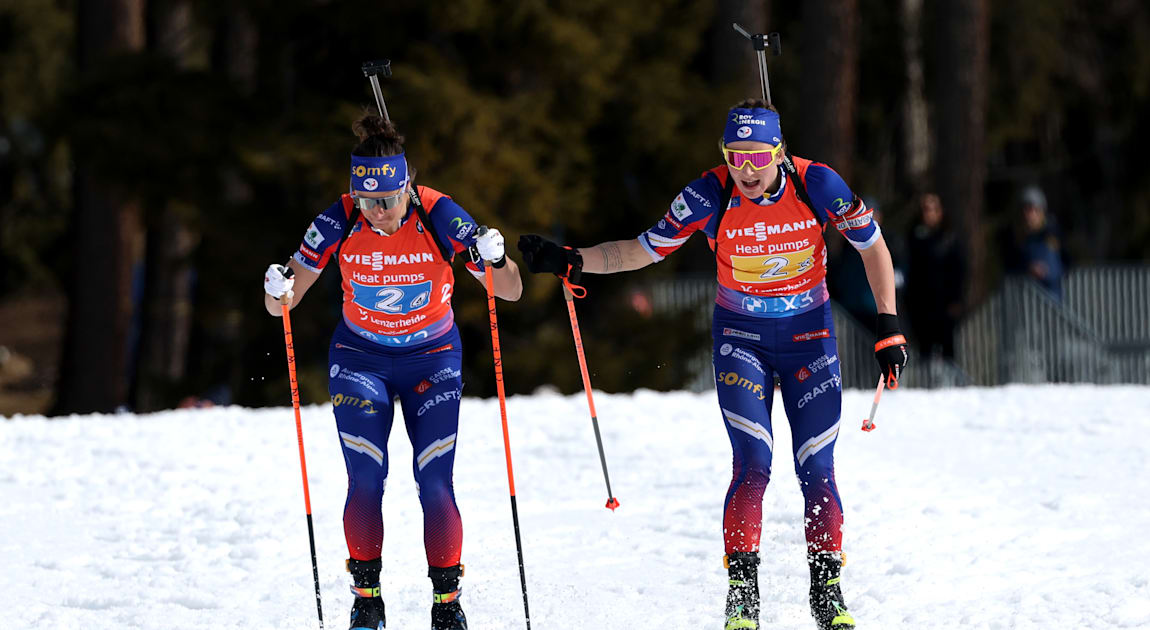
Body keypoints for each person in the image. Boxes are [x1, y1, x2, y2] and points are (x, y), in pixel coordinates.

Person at [518, 100, 907, 630]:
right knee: (753, 461)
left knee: (815, 463)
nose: (745, 170)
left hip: (809, 338)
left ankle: (827, 589)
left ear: (779, 152)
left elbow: (873, 247)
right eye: (735, 155)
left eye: (756, 157)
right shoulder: (708, 193)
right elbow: (642, 250)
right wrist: (573, 259)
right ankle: (743, 595)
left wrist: (889, 326)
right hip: (741, 337)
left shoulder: (818, 185)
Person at [263, 113, 522, 630]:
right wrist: (276, 290)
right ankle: (366, 600)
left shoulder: (439, 214)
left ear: (408, 186)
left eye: (388, 200)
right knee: (365, 476)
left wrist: (496, 258)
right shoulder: (338, 220)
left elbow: (510, 289)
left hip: (432, 358)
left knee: (434, 481)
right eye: (367, 202)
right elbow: (284, 305)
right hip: (360, 359)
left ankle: (447, 607)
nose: (378, 213)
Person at [904, 192, 965, 359]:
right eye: (925, 209)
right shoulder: (914, 237)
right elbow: (911, 270)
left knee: (948, 351)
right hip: (921, 305)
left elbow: (959, 271)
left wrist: (956, 300)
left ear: (940, 212)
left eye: (932, 209)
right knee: (924, 351)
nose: (928, 213)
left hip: (944, 304)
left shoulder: (950, 239)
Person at [1002, 185, 1065, 299]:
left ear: (1041, 211)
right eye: (1024, 209)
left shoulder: (1052, 234)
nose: (1027, 214)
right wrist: (1026, 269)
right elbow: (1009, 268)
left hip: (1050, 300)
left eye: (1031, 209)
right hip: (1024, 301)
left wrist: (1044, 271)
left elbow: (1059, 266)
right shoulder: (1015, 238)